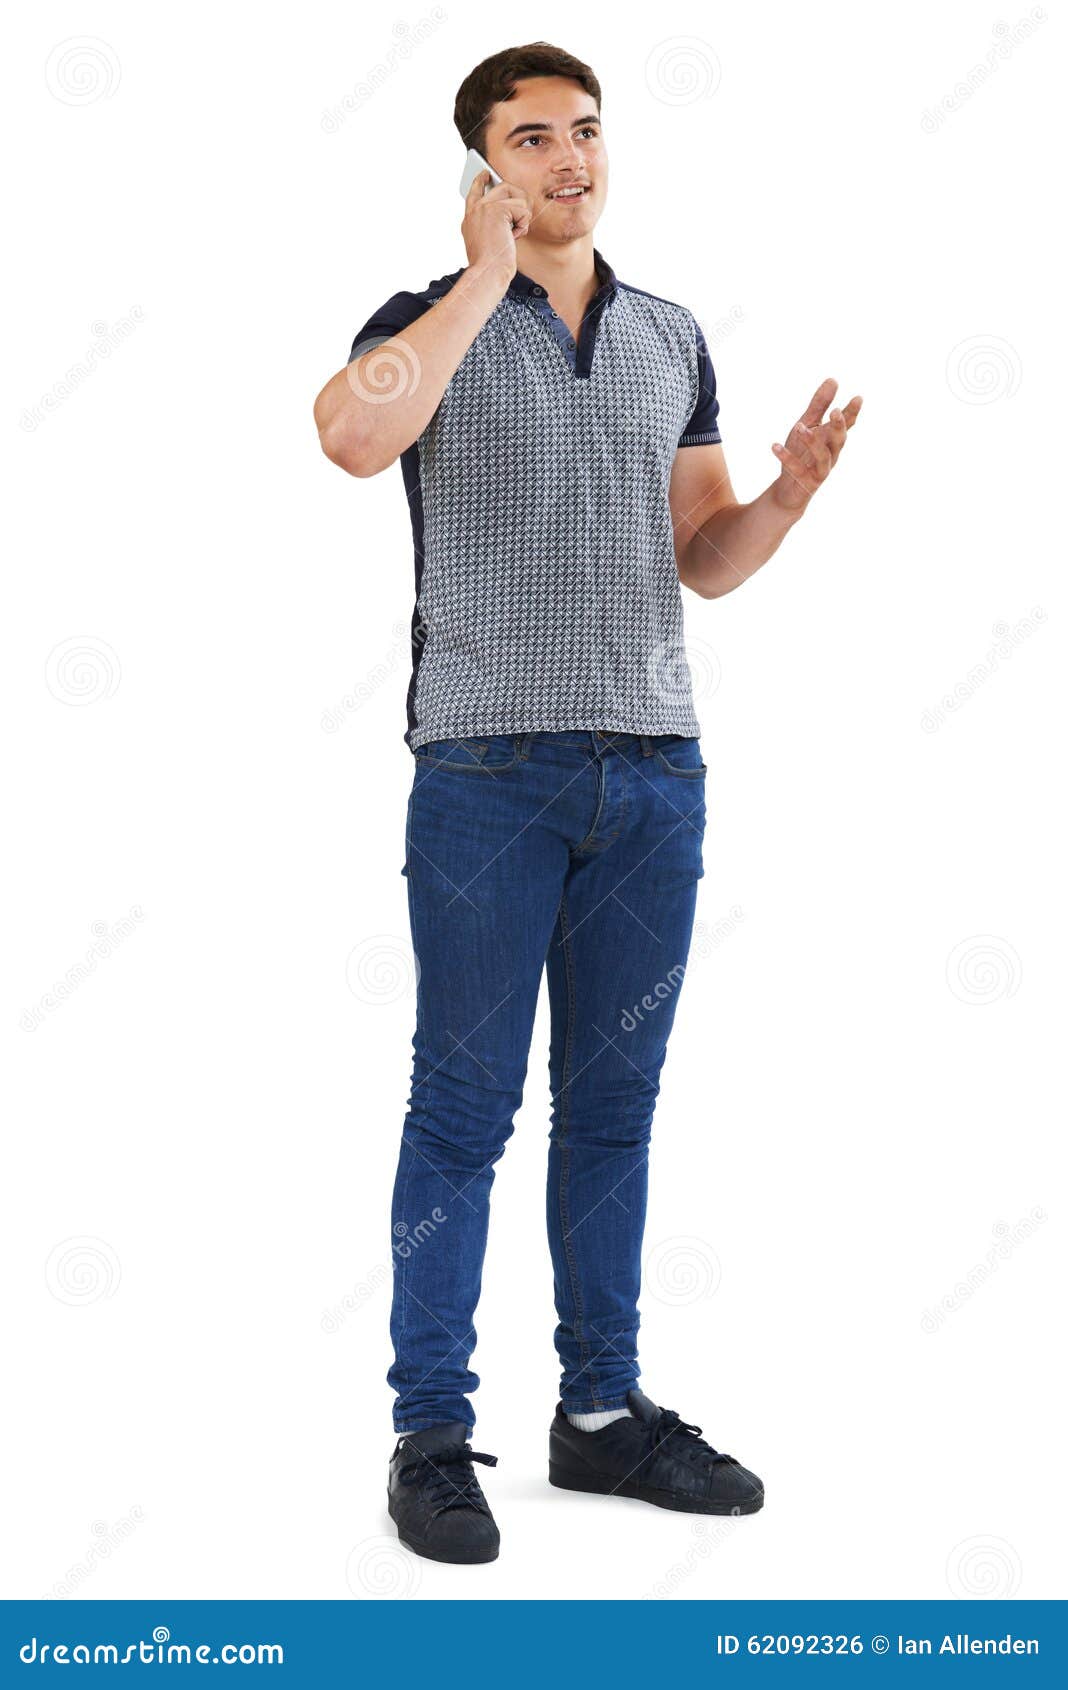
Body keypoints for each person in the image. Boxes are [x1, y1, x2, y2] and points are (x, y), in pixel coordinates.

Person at [313, 41, 861, 1565]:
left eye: (587, 133)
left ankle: (601, 1417)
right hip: (488, 771)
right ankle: (432, 1431)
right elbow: (354, 438)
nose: (571, 158)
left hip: (655, 777)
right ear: (484, 169)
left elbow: (704, 552)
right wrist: (478, 275)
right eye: (533, 138)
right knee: (463, 1110)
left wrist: (789, 498)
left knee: (613, 1108)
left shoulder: (672, 337)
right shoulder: (420, 325)